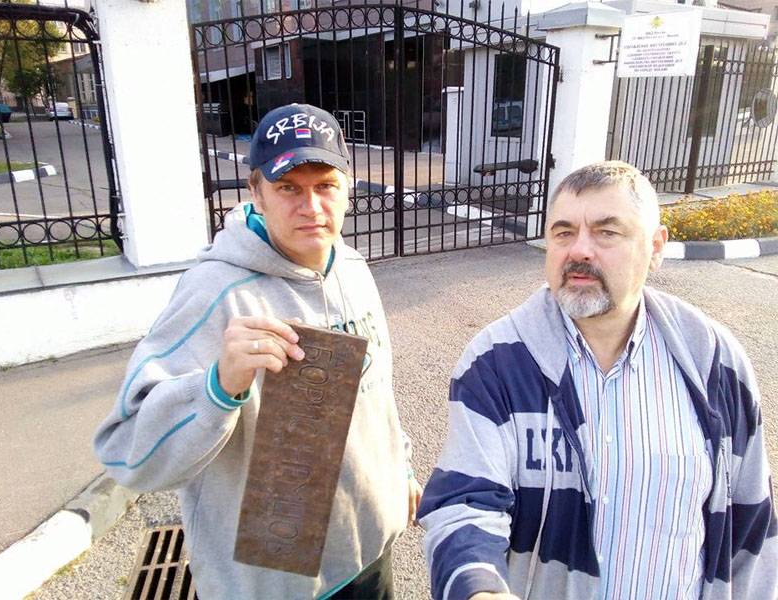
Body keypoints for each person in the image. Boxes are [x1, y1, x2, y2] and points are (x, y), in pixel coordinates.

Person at [94, 104, 421, 599]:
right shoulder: (216, 292)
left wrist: (402, 470)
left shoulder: (354, 269)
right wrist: (216, 388)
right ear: (256, 193)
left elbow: (378, 396)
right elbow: (126, 453)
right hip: (271, 584)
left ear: (349, 188)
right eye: (288, 187)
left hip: (368, 556)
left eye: (325, 185)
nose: (310, 206)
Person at [417, 161, 777, 600]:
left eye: (607, 232)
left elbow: (751, 529)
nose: (580, 250)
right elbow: (464, 503)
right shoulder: (497, 363)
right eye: (564, 232)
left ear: (656, 247)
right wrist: (480, 589)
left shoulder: (713, 365)